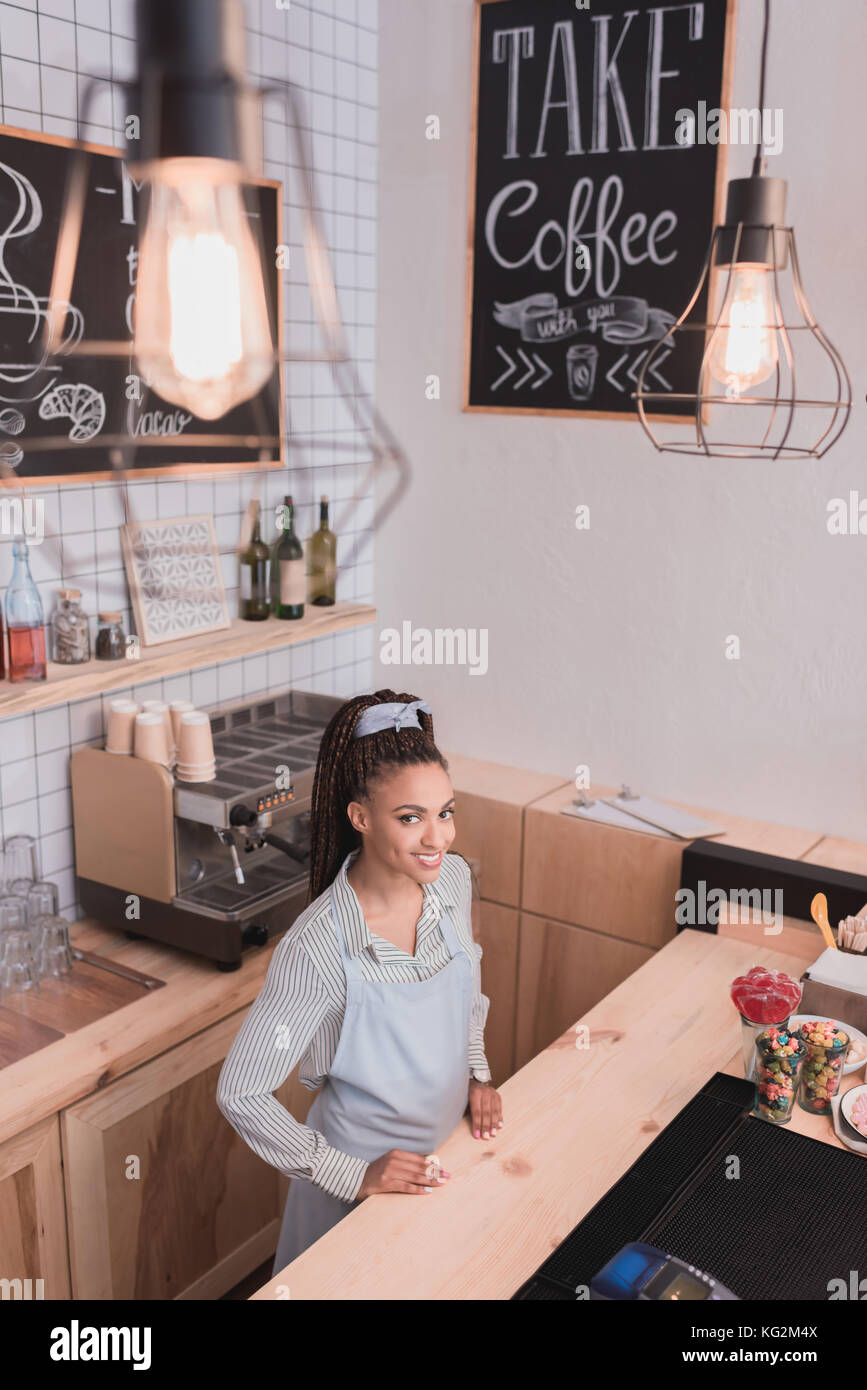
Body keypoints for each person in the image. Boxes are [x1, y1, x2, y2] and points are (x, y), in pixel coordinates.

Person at [216, 689, 503, 1276]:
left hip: (444, 1158)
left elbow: (467, 983)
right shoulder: (318, 947)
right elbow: (241, 1092)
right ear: (360, 818)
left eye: (444, 812)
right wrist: (354, 1175)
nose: (437, 838)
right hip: (360, 1189)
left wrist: (477, 1071)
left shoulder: (450, 882)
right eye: (410, 818)